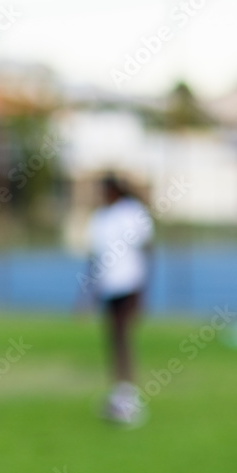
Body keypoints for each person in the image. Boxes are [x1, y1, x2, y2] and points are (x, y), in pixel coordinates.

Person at [83, 173, 153, 426]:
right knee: (114, 338)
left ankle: (129, 397)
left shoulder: (132, 212)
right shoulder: (99, 218)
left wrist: (144, 289)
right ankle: (120, 392)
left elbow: (147, 249)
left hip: (129, 283)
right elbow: (94, 258)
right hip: (108, 286)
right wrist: (87, 294)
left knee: (123, 336)